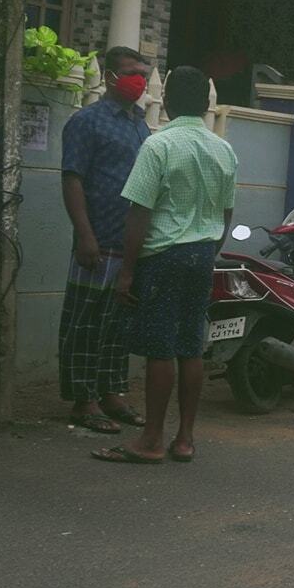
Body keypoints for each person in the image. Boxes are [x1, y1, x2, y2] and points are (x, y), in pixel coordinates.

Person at [95, 66, 237, 465]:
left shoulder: (158, 146)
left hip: (164, 255)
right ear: (207, 104)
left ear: (168, 102)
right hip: (203, 254)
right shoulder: (223, 149)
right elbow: (227, 212)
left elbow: (138, 212)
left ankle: (151, 439)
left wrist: (127, 272)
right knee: (190, 347)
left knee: (160, 349)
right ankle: (185, 438)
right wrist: (209, 250)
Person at [57, 46, 152, 434]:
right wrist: (84, 235)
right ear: (110, 76)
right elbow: (72, 177)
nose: (139, 81)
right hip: (97, 238)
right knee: (86, 322)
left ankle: (113, 393)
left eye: (143, 74)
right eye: (131, 72)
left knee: (119, 323)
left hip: (129, 242)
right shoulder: (87, 122)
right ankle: (85, 400)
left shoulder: (140, 124)